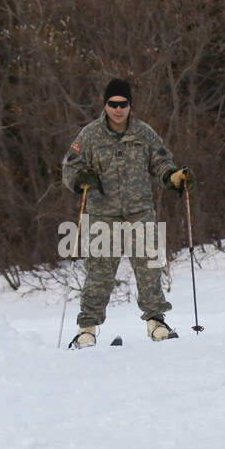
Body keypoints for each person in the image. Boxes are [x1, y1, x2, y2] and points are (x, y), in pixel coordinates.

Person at [61, 78, 191, 347]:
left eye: (123, 104)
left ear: (130, 105)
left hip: (139, 212)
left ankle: (156, 322)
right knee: (98, 274)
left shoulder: (144, 134)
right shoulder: (89, 135)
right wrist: (79, 178)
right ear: (105, 105)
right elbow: (70, 166)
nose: (118, 109)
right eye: (113, 104)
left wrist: (174, 177)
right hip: (102, 214)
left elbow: (161, 164)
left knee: (149, 268)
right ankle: (87, 328)